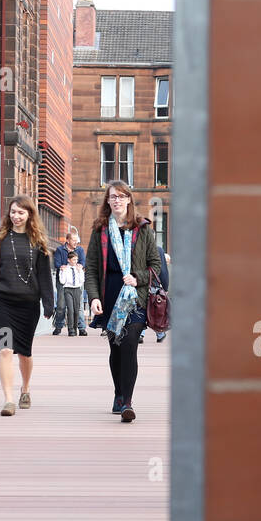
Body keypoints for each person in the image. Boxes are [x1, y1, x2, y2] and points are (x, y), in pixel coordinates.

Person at [85, 180, 162, 423]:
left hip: (135, 296)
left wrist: (137, 277)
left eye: (121, 196)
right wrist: (94, 297)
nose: (117, 200)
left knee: (129, 344)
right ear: (107, 201)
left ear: (129, 199)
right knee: (115, 349)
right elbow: (92, 268)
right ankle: (118, 393)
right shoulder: (100, 230)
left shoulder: (143, 228)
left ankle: (128, 402)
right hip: (109, 294)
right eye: (112, 196)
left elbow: (155, 265)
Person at [0, 195, 54, 415]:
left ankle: (25, 388)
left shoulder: (38, 241)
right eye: (13, 212)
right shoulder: (0, 237)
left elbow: (44, 276)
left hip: (28, 306)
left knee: (24, 353)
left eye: (21, 212)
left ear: (30, 214)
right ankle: (9, 400)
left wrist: (49, 303)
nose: (16, 216)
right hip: (3, 304)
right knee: (5, 350)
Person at [51, 231, 85, 335]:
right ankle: (58, 326)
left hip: (77, 282)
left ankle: (81, 328)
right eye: (74, 240)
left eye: (77, 240)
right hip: (64, 281)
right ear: (67, 240)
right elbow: (56, 263)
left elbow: (83, 261)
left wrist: (81, 266)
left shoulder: (80, 250)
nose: (76, 242)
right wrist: (61, 266)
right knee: (61, 305)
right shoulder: (60, 250)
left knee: (79, 306)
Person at [58, 250, 87, 336]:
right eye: (74, 260)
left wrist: (80, 271)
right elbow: (62, 281)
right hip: (68, 290)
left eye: (76, 260)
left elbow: (82, 281)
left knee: (76, 310)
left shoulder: (79, 269)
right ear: (69, 260)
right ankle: (70, 330)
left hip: (77, 289)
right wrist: (62, 272)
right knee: (70, 309)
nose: (75, 261)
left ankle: (75, 328)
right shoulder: (65, 268)